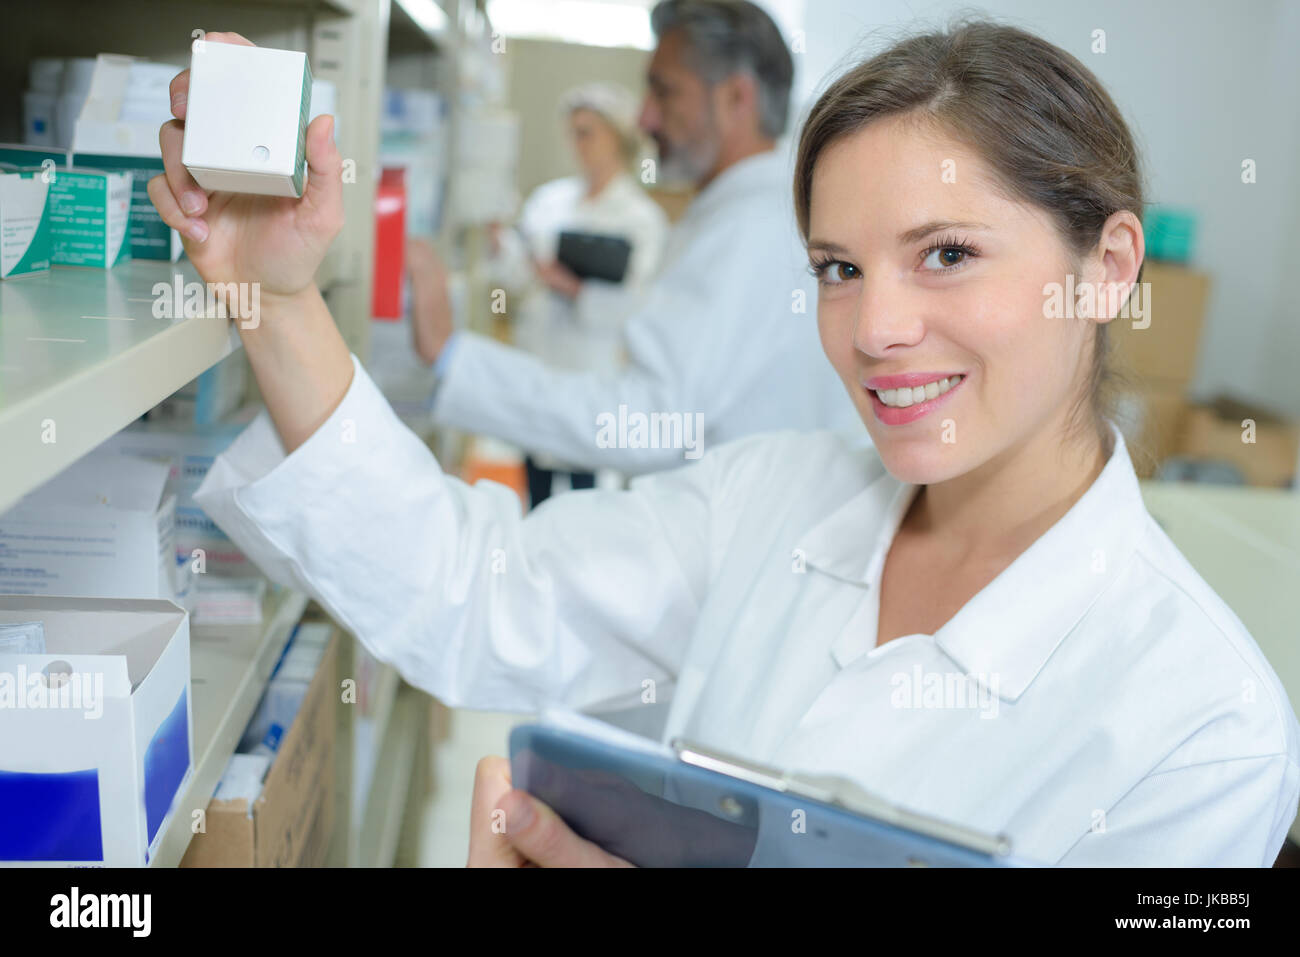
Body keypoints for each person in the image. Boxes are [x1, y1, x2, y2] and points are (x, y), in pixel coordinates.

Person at [151, 21, 1299, 868]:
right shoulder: (771, 496)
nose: (876, 330)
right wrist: (275, 300)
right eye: (839, 269)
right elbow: (470, 588)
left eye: (946, 253)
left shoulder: (1203, 729)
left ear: (1106, 269)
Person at [406, 0, 860, 478]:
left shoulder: (749, 230)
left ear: (735, 99)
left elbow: (655, 423)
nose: (644, 119)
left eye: (664, 93)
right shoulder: (747, 214)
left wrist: (453, 358)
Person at [443, 83, 669, 506]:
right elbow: (517, 280)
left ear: (617, 137)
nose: (577, 143)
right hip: (540, 355)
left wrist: (572, 286)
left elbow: (635, 307)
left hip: (591, 367)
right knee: (538, 478)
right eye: (573, 132)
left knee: (583, 493)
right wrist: (500, 243)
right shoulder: (550, 201)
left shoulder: (641, 217)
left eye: (588, 132)